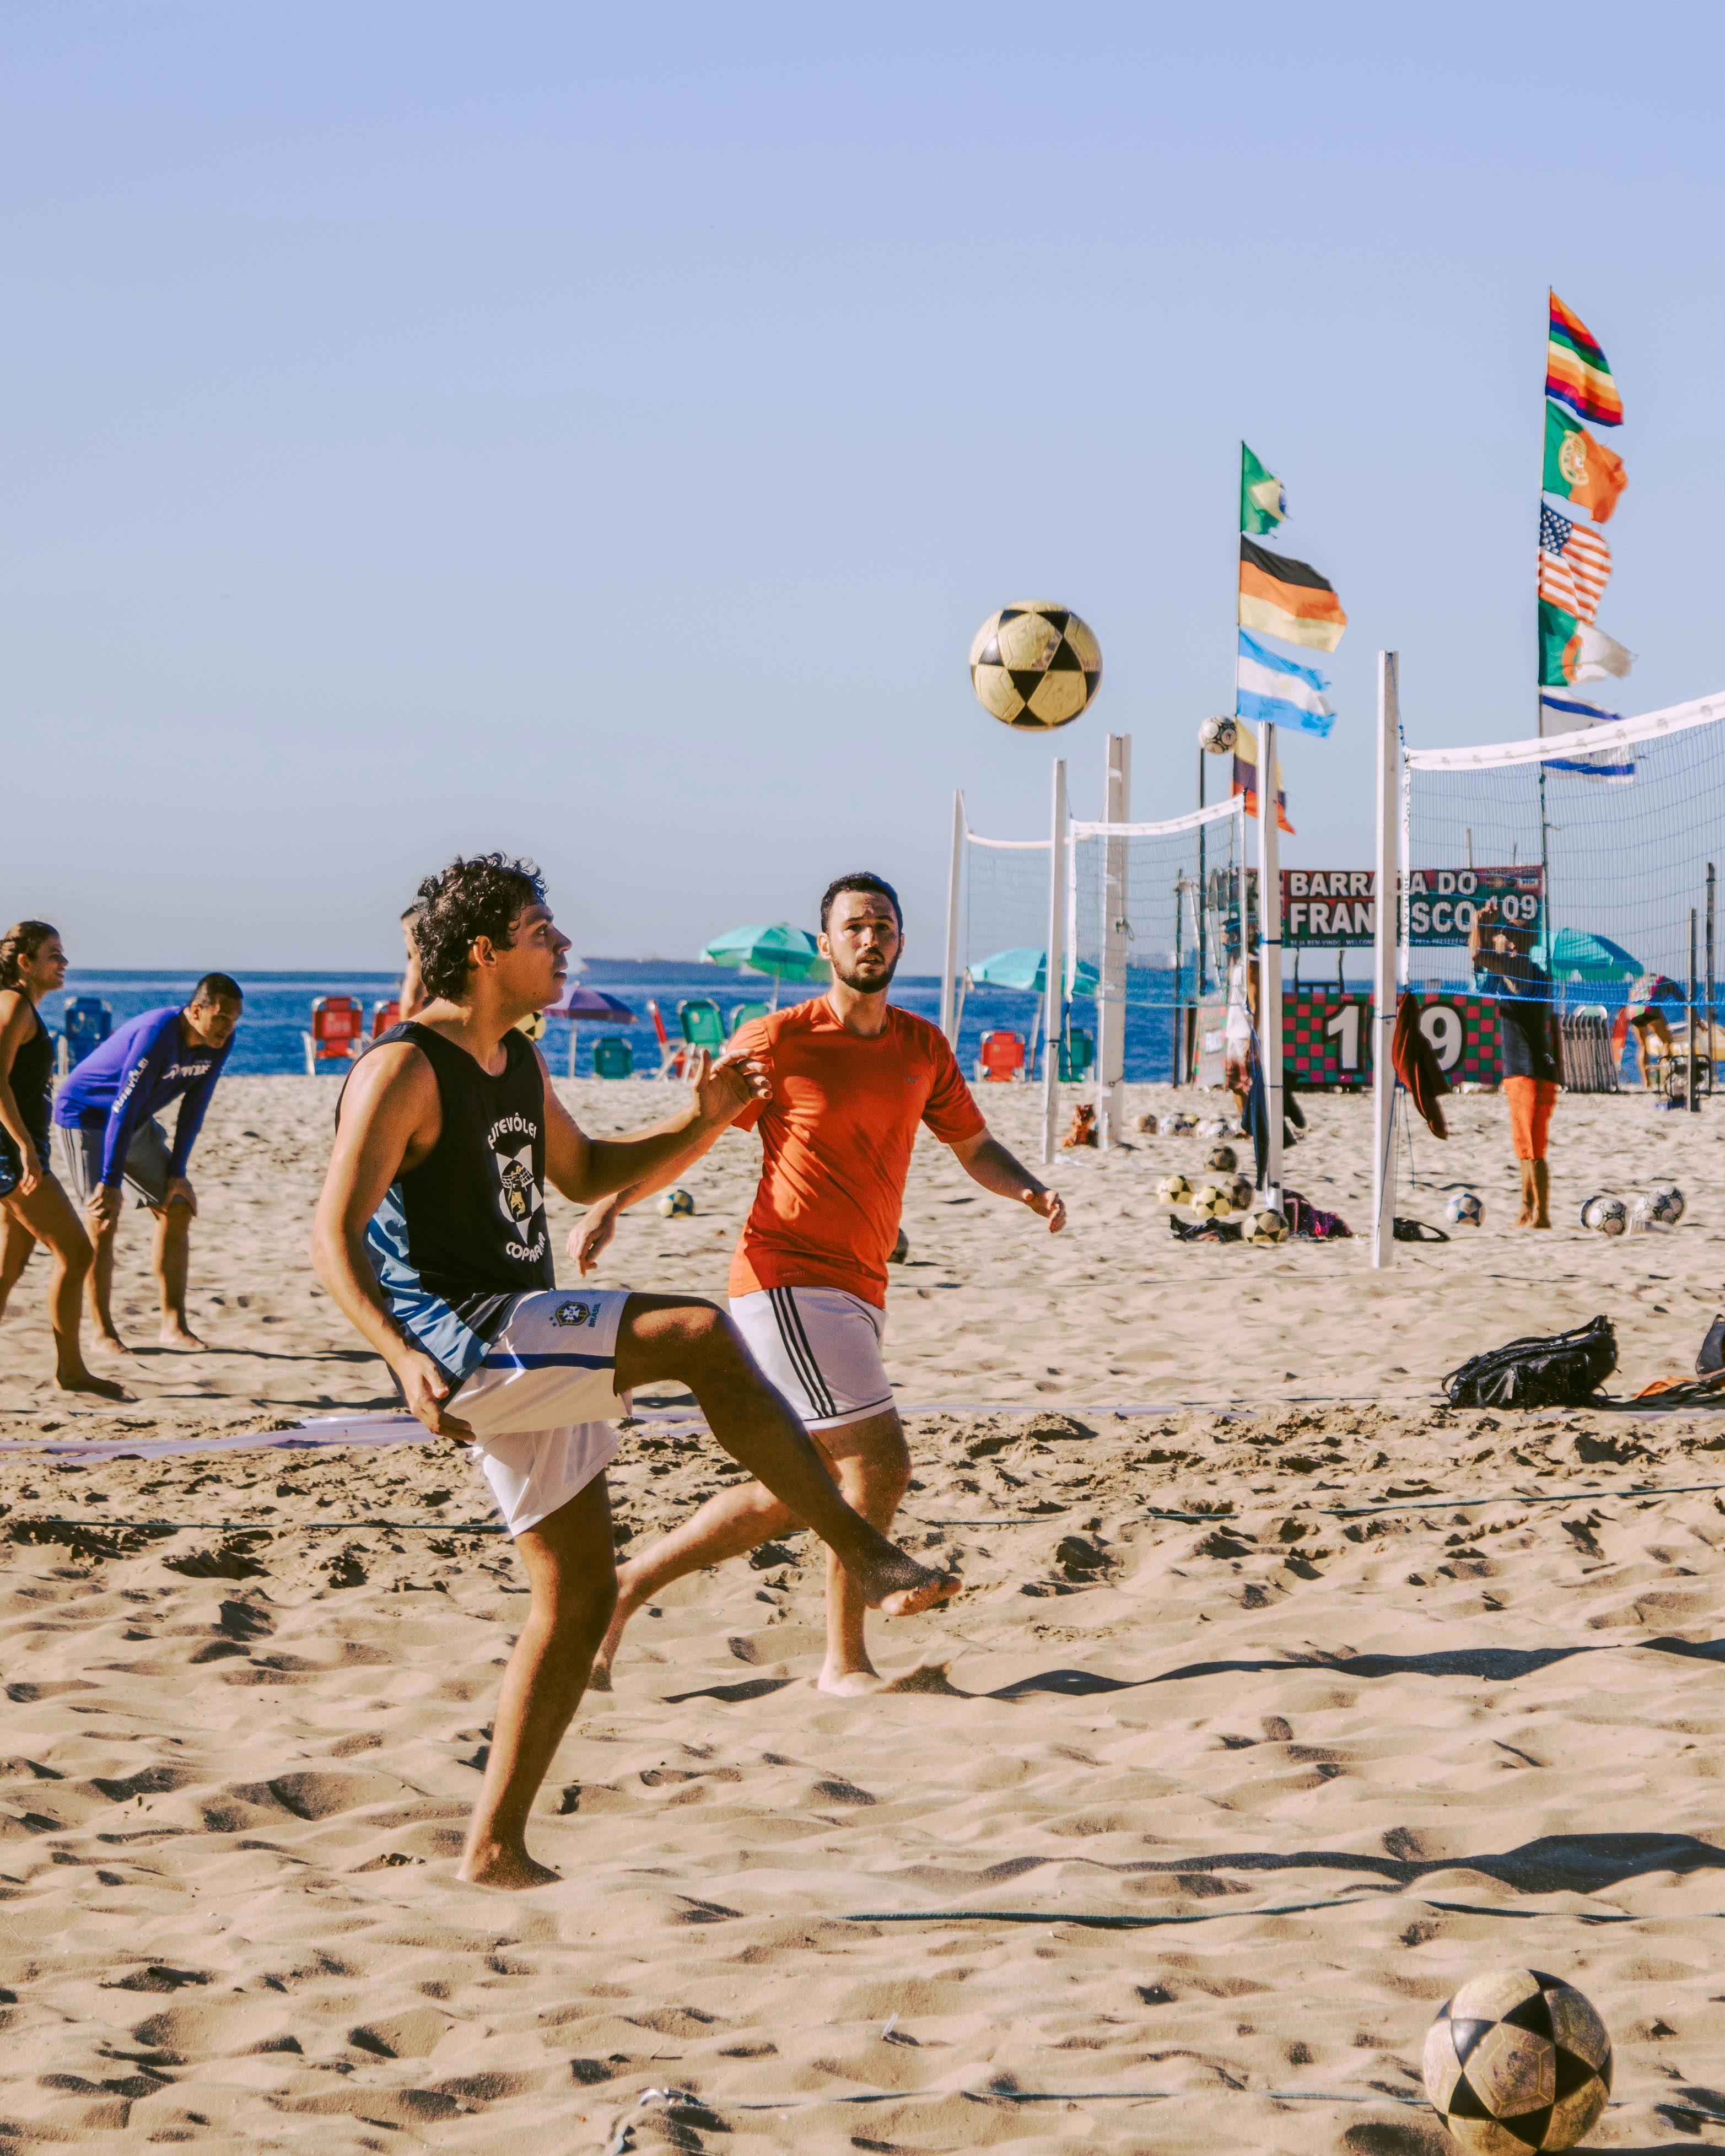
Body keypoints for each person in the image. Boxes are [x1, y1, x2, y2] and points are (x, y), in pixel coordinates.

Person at [310, 853, 957, 1891]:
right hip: (469, 1334)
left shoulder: (516, 1060)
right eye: (541, 930)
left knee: (575, 1598)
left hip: (530, 1333)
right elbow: (331, 1235)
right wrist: (396, 1355)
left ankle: (494, 1848)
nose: (563, 943)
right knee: (699, 1333)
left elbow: (584, 1173)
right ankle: (867, 1553)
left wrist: (698, 1118)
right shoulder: (403, 1068)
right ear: (484, 951)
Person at [576, 871, 1065, 1696]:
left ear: (900, 940)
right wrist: (614, 1201)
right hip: (785, 1279)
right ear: (825, 945)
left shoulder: (922, 1046)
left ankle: (621, 1591)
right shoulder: (777, 1039)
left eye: (882, 925)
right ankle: (846, 1663)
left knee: (789, 1490)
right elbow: (694, 1134)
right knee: (878, 1466)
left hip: (860, 1286)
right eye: (853, 926)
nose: (869, 938)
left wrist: (1028, 1189)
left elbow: (973, 1144)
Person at [52, 975, 244, 1350]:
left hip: (133, 1120)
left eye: (234, 1019)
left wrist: (178, 1173)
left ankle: (173, 1325)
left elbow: (195, 1106)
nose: (227, 1027)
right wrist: (109, 1182)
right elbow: (122, 1106)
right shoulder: (158, 1034)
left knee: (177, 1206)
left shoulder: (219, 1043)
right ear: (196, 1011)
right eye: (221, 1017)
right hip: (87, 1116)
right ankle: (102, 1332)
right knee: (102, 1219)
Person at [0, 923, 129, 1399]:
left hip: (18, 1152)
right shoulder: (13, 1005)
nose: (64, 962)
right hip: (12, 1156)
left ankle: (70, 1370)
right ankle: (71, 1371)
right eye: (53, 954)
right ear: (25, 962)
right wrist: (25, 1147)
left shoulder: (21, 1005)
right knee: (77, 1253)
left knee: (8, 1269)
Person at [1470, 900, 1562, 1228]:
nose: (1506, 940)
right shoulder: (1531, 973)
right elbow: (1481, 969)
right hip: (1532, 1071)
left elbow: (1478, 956)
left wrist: (1479, 923)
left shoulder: (1520, 968)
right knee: (1526, 1147)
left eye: (1512, 935)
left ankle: (1543, 1217)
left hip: (1528, 1072)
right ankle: (1527, 1209)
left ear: (1523, 944)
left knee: (1533, 1149)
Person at [400, 902, 430, 1021]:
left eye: (406, 933)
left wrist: (401, 1035)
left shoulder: (420, 961)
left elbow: (411, 1004)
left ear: (417, 932)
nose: (405, 940)